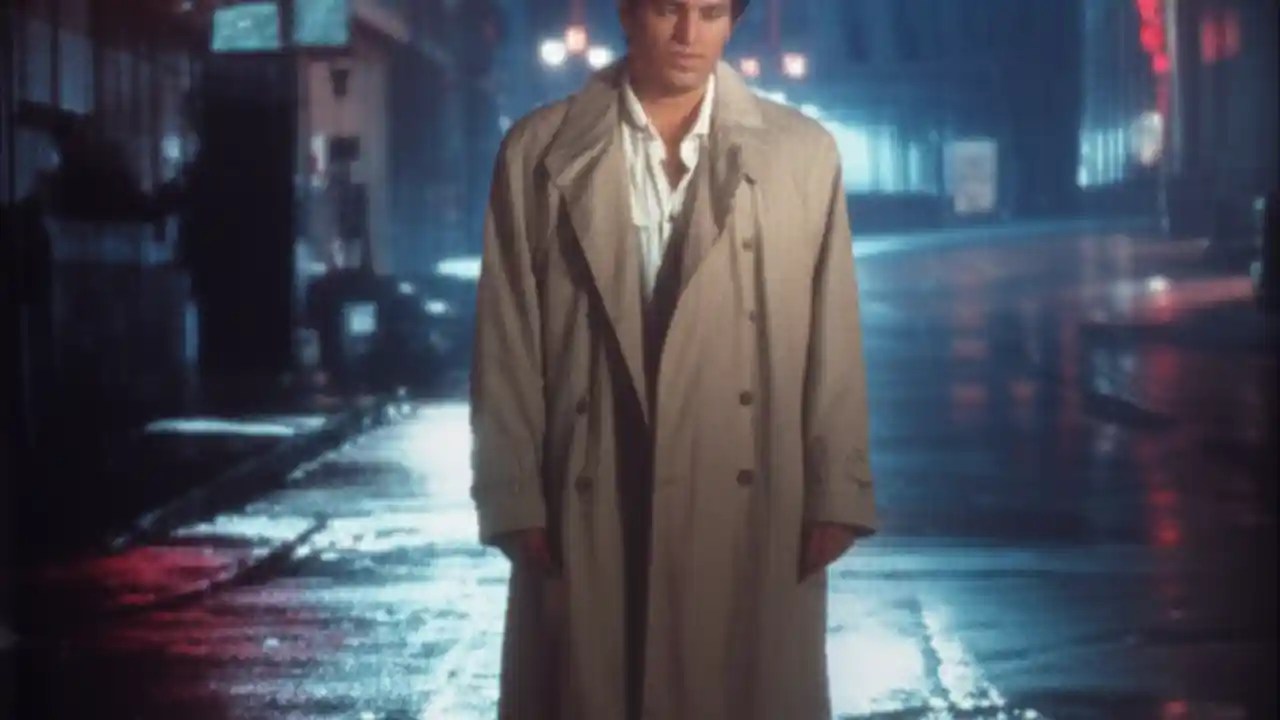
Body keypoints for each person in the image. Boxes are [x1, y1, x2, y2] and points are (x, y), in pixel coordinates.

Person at [469, 0, 877, 717]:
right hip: (592, 481)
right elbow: (507, 338)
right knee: (593, 682)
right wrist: (511, 494)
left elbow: (833, 337)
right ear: (628, 13)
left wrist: (837, 490)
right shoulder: (538, 151)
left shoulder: (801, 154)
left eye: (712, 12)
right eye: (668, 9)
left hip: (749, 489)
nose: (690, 35)